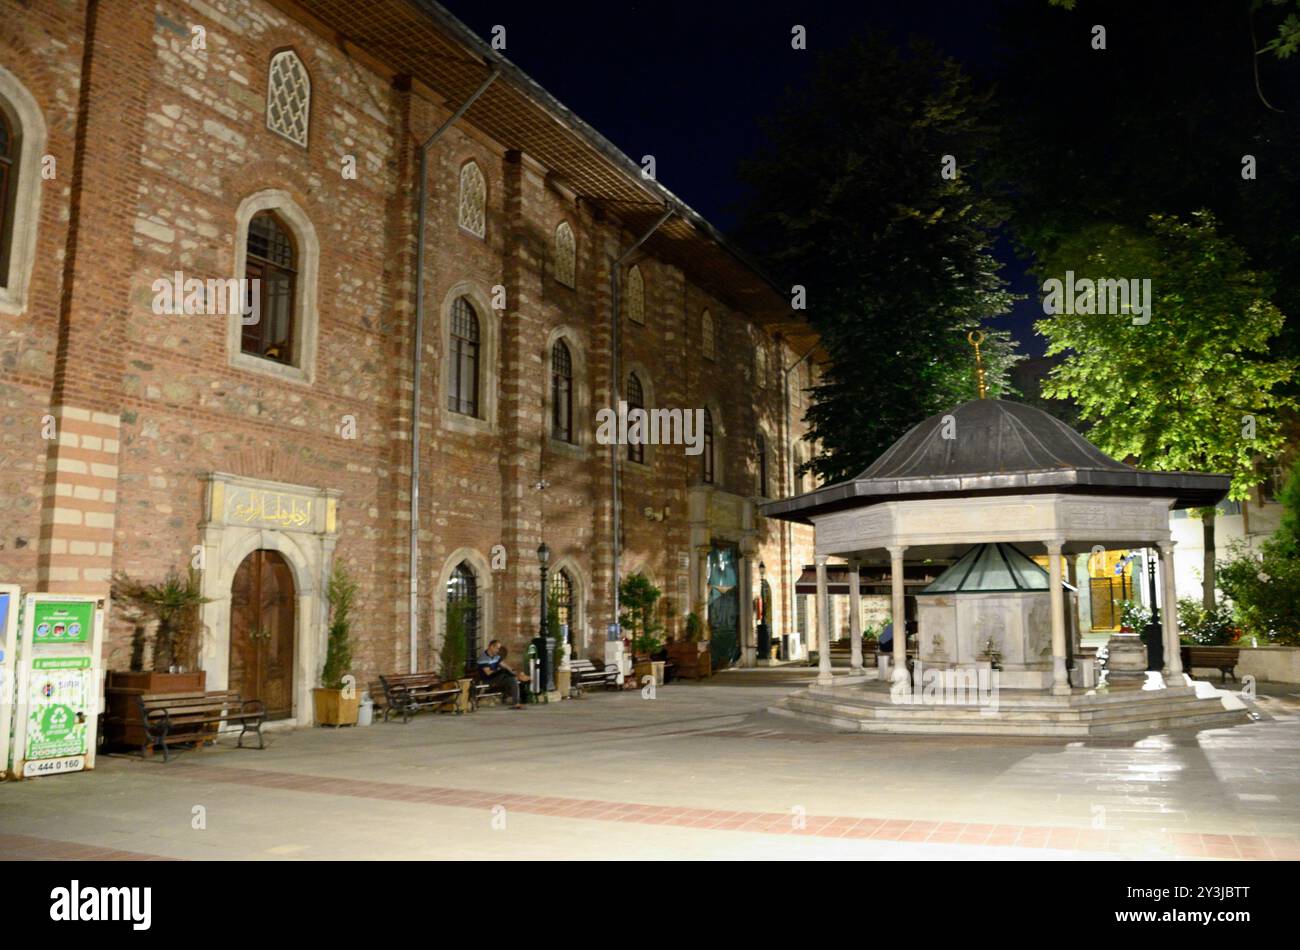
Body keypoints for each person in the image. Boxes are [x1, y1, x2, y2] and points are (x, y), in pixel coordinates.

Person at [477, 639, 529, 709]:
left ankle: (516, 703)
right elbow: (488, 673)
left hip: (497, 677)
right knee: (505, 672)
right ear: (491, 647)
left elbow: (505, 666)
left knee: (512, 679)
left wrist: (514, 672)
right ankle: (520, 677)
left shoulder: (496, 656)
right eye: (497, 648)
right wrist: (500, 670)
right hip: (488, 679)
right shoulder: (483, 658)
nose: (498, 650)